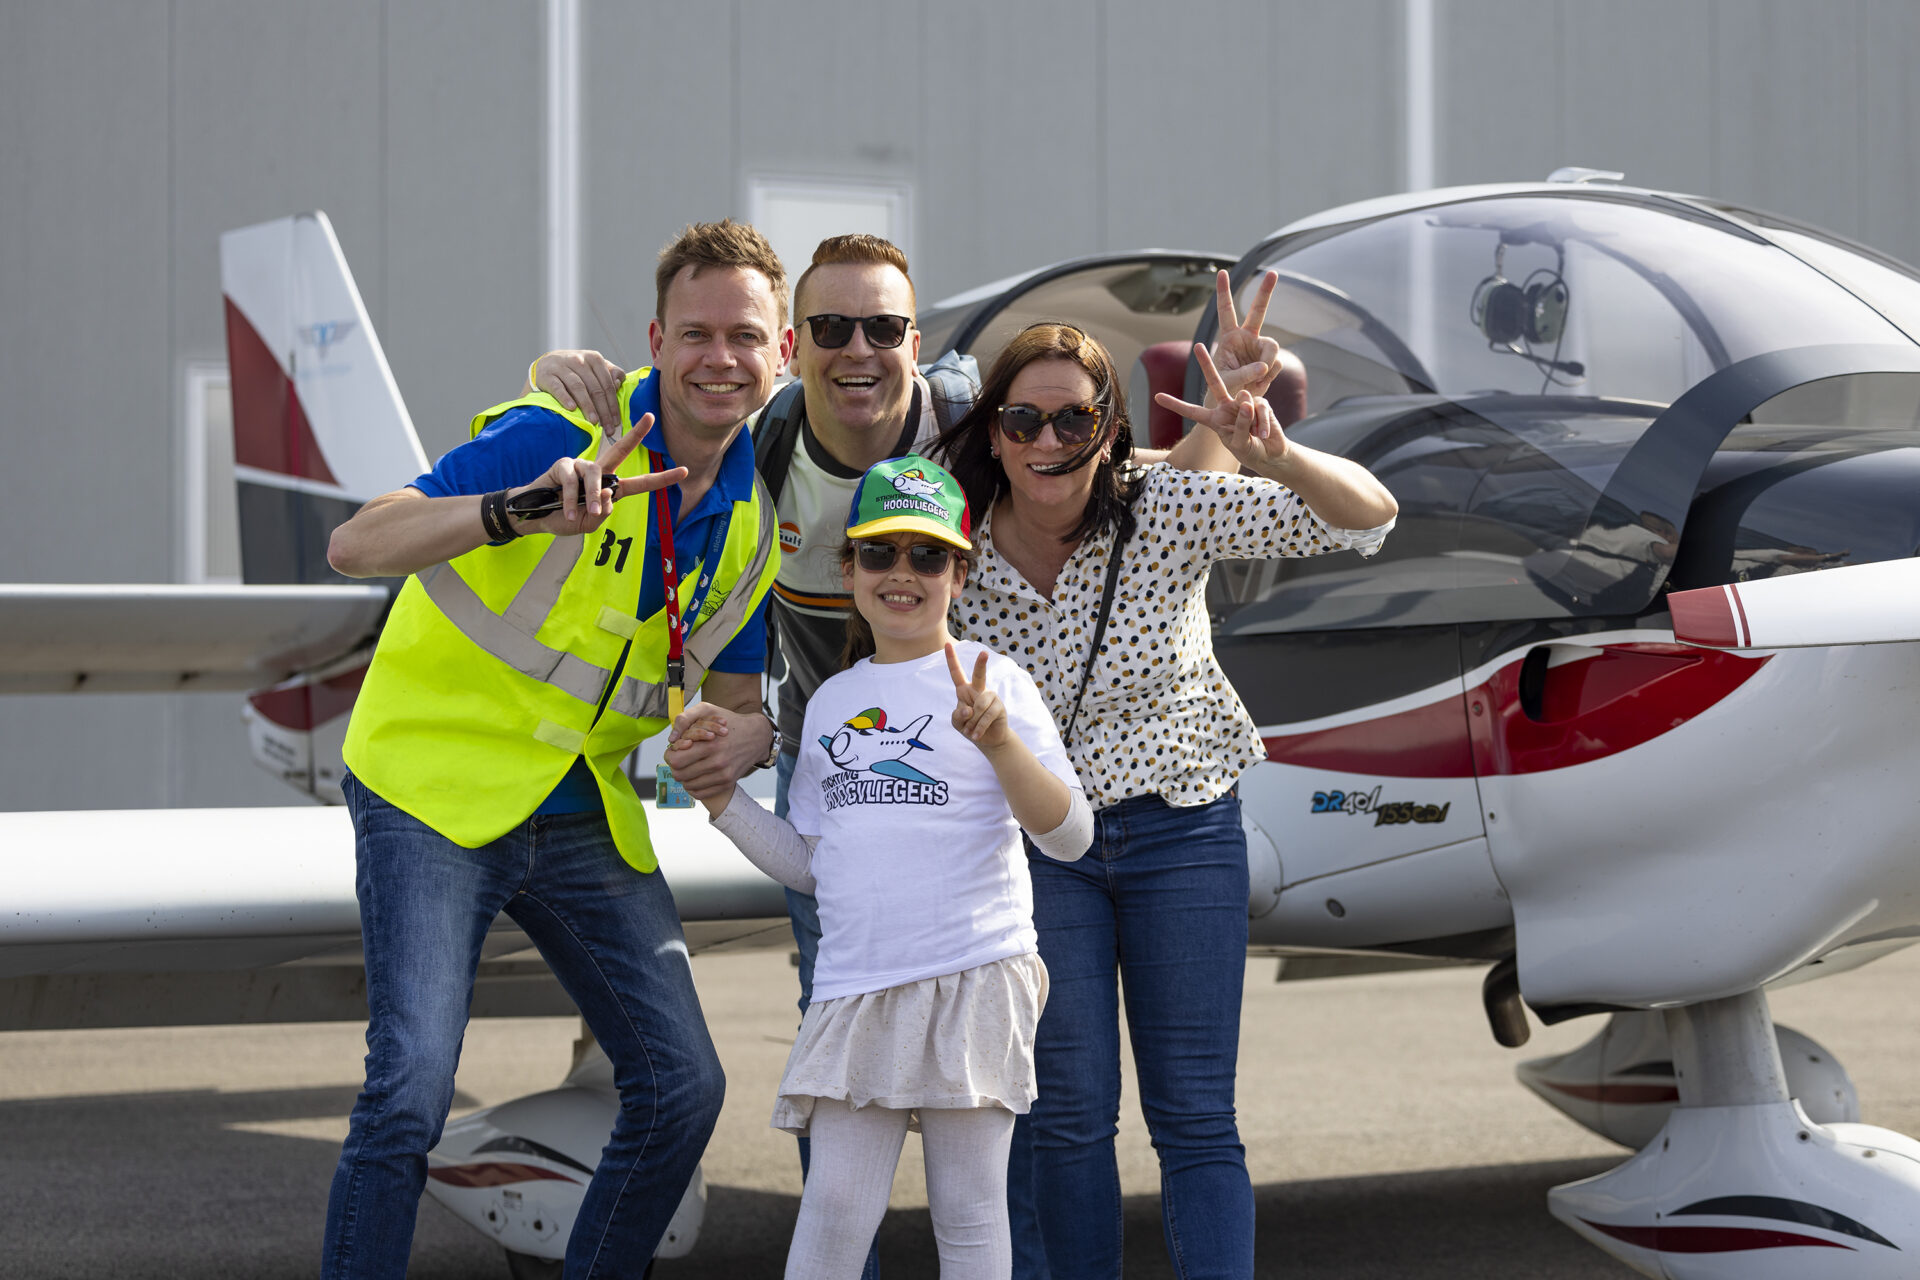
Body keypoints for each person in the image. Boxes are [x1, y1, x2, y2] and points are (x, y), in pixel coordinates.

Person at [319, 219, 792, 1279]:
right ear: (656, 341)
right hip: (434, 786)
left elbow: (731, 697)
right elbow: (357, 542)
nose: (722, 358)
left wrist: (751, 732)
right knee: (409, 1091)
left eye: (746, 336)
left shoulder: (756, 521)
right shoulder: (554, 431)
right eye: (698, 334)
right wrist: (515, 510)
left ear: (783, 351)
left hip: (583, 810)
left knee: (684, 1086)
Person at [932, 282, 1399, 1279]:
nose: (1046, 436)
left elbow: (1368, 519)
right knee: (1067, 1116)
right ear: (997, 433)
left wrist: (1274, 450)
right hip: (1045, 851)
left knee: (1194, 1114)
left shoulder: (1167, 505)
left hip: (1184, 830)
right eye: (1025, 416)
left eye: (1074, 417)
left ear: (1111, 432)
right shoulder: (951, 547)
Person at [675, 454, 1093, 1279]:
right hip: (855, 988)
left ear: (960, 574)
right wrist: (726, 807)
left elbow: (1069, 836)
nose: (903, 574)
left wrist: (1001, 742)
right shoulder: (832, 703)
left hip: (976, 976)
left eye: (928, 555)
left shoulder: (998, 683)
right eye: (880, 553)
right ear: (849, 569)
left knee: (970, 1216)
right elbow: (811, 867)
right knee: (833, 1214)